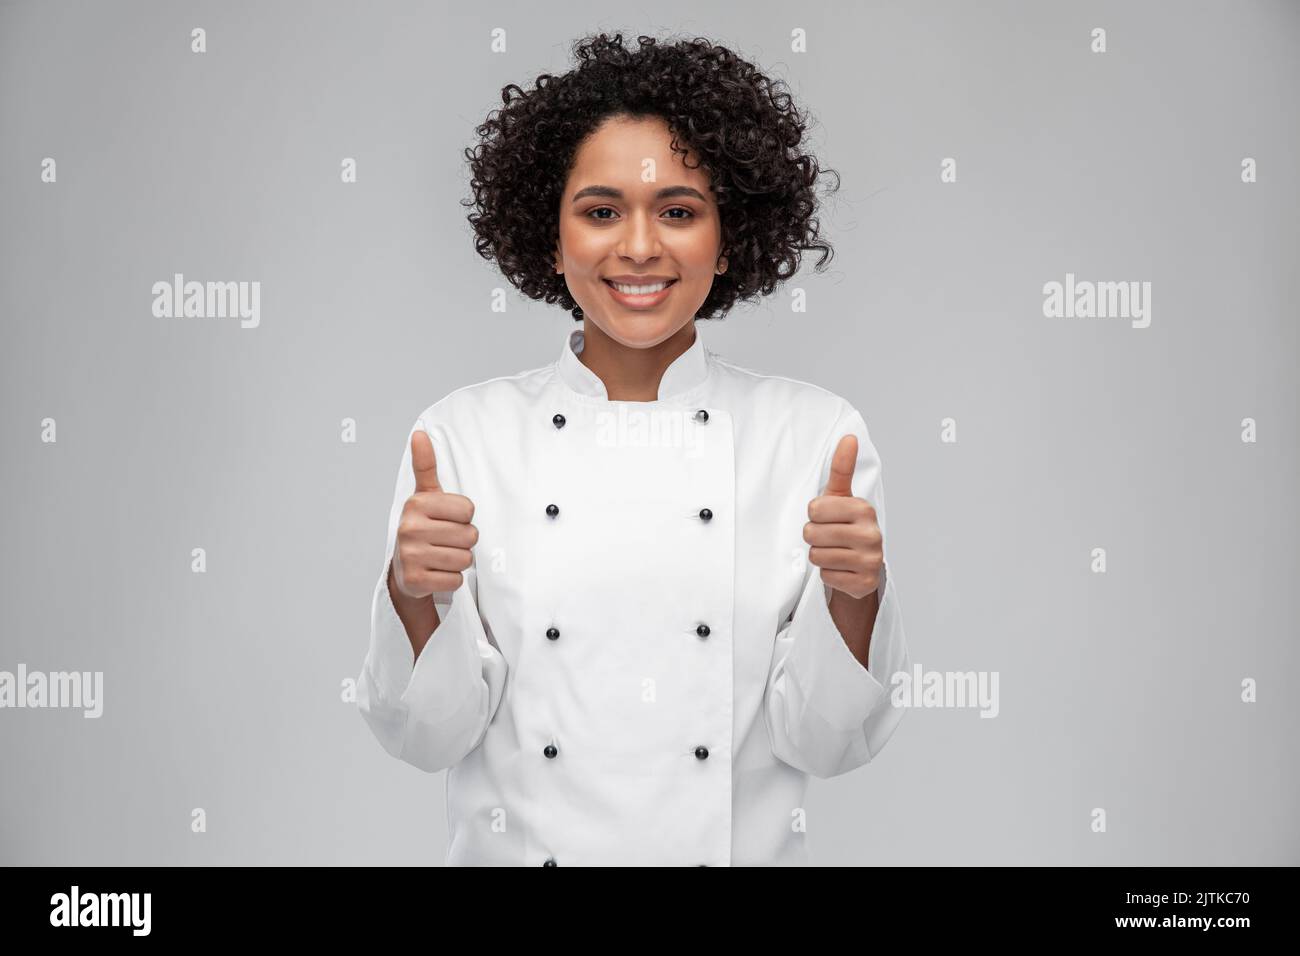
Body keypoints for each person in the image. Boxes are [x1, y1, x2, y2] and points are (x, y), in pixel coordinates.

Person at [357, 32, 910, 866]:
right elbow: (428, 739)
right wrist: (410, 594)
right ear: (551, 236)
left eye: (679, 212)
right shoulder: (463, 436)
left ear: (730, 240)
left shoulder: (811, 436)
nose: (641, 247)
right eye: (601, 211)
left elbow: (827, 745)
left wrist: (856, 596)